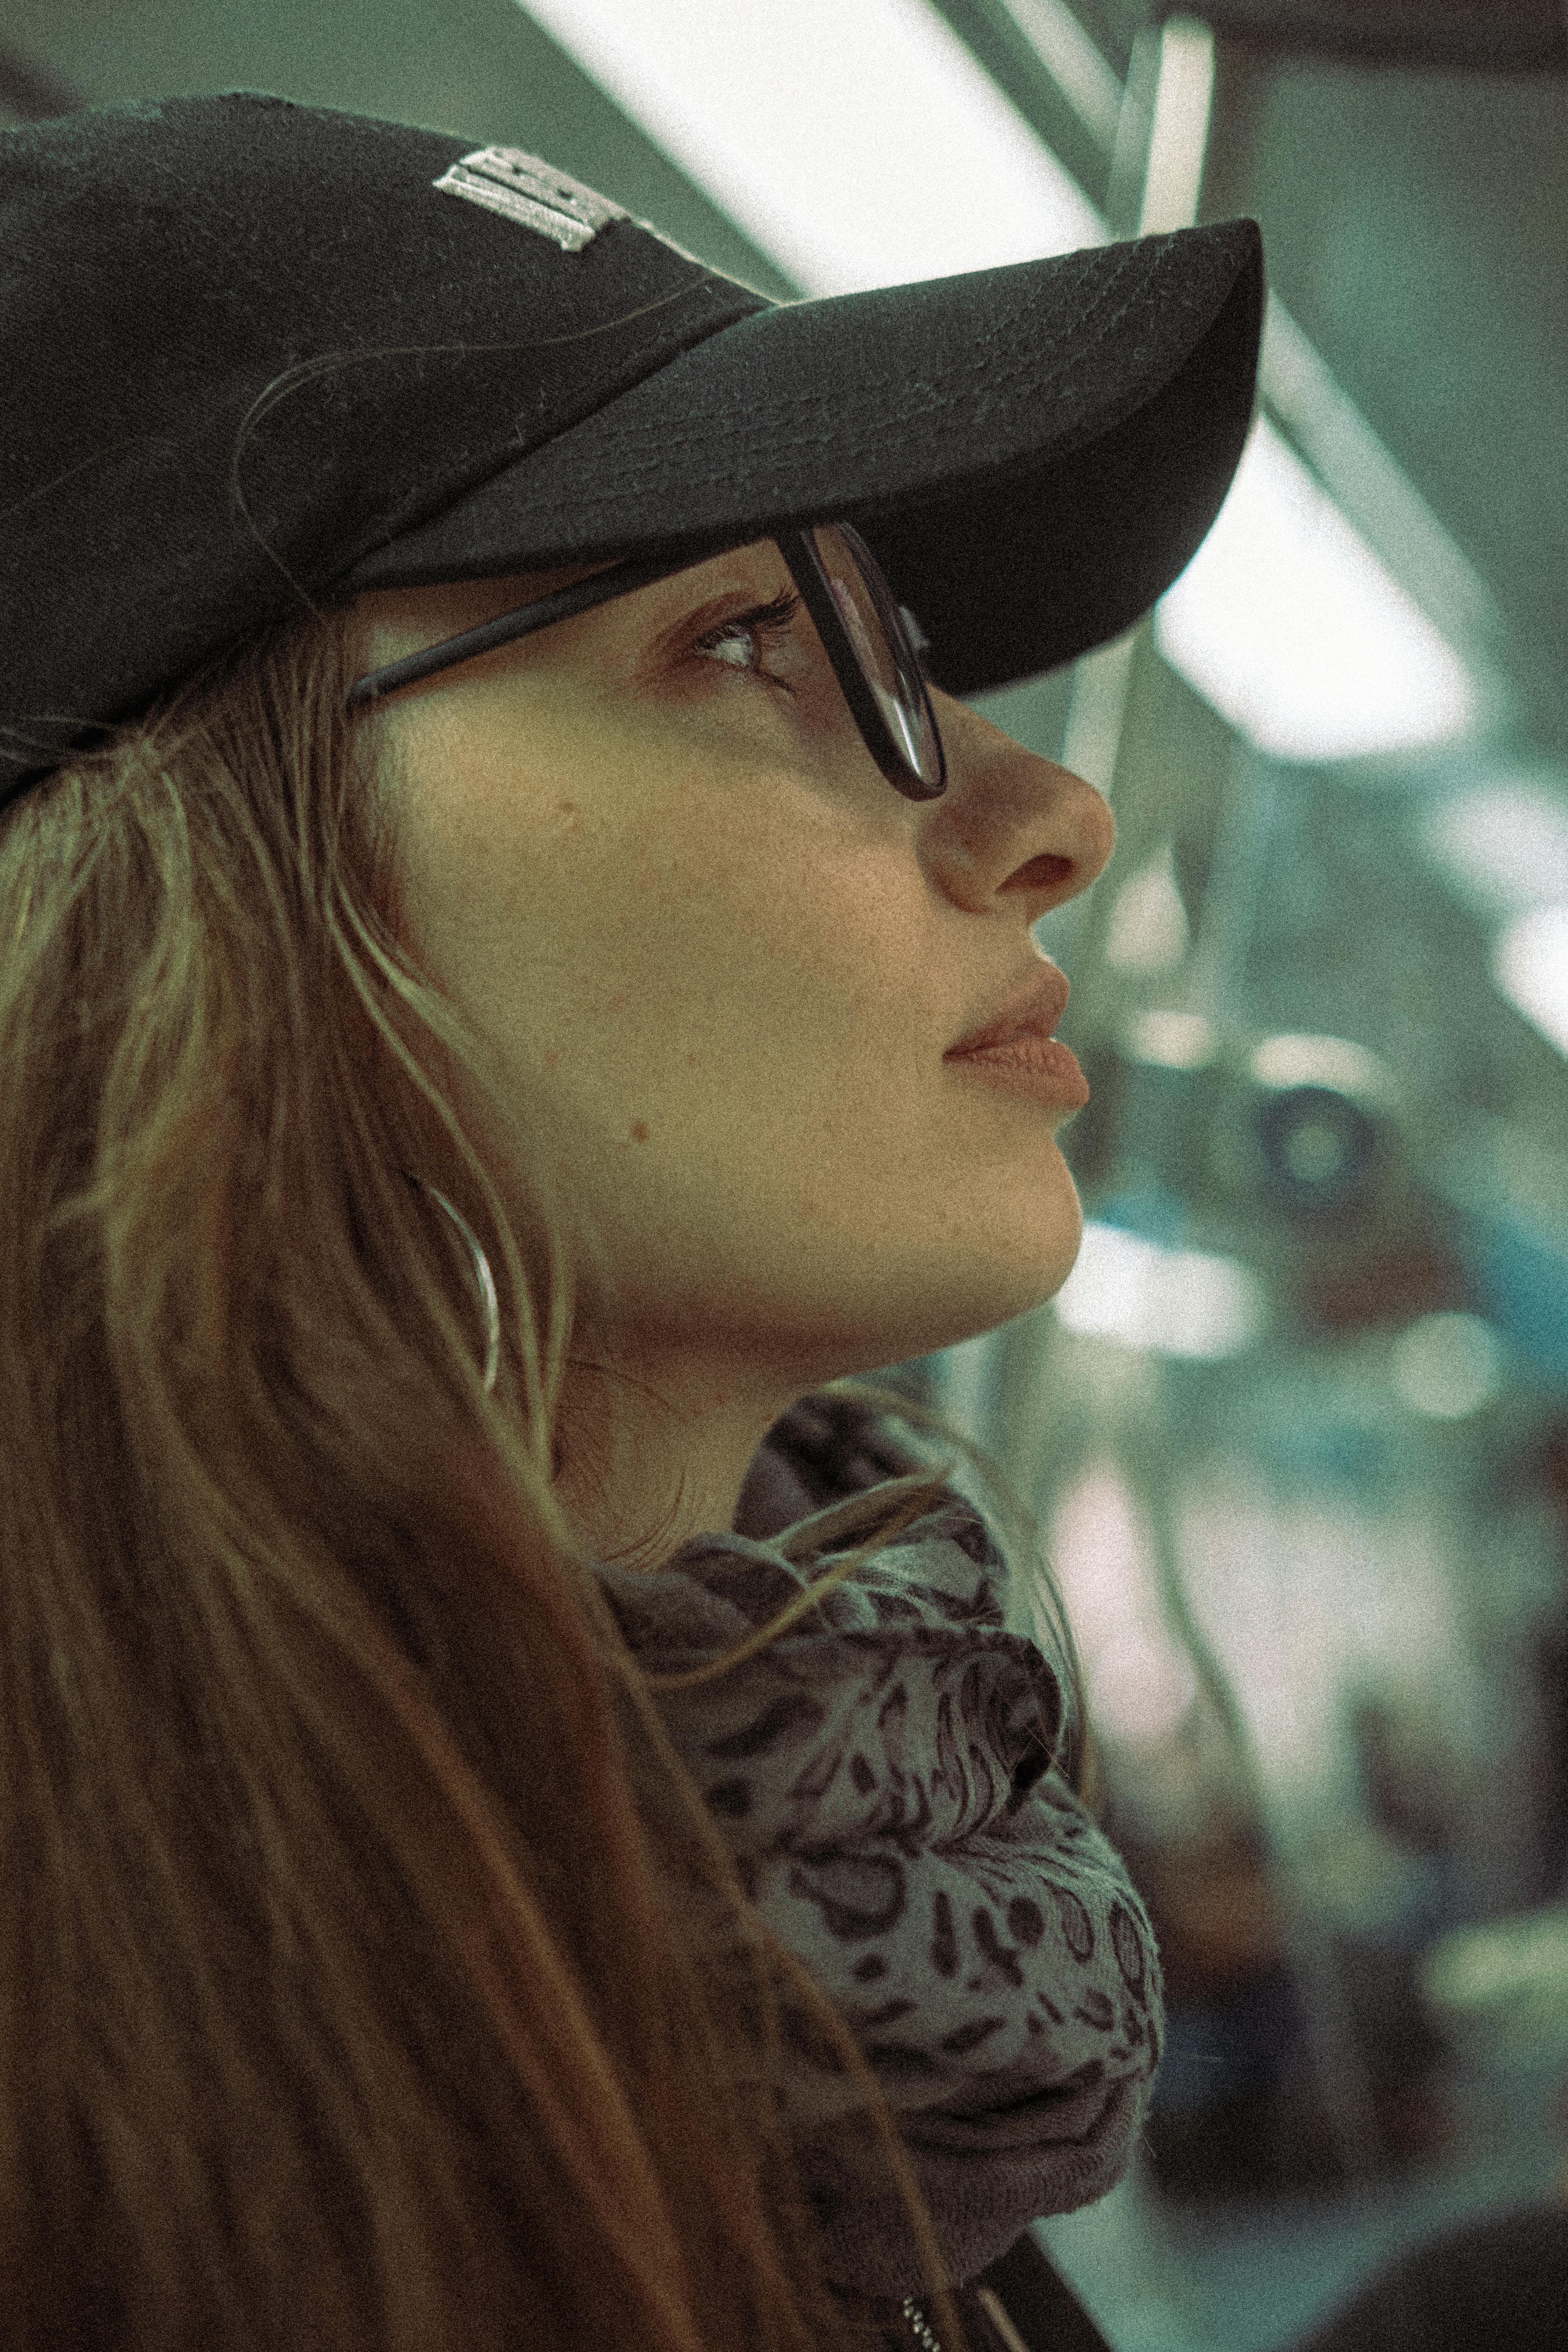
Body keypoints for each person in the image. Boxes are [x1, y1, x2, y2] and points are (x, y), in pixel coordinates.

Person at [0, 93, 1264, 2352]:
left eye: (894, 648)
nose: (1050, 809)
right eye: (753, 643)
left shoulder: (852, 2024)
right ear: (197, 877)